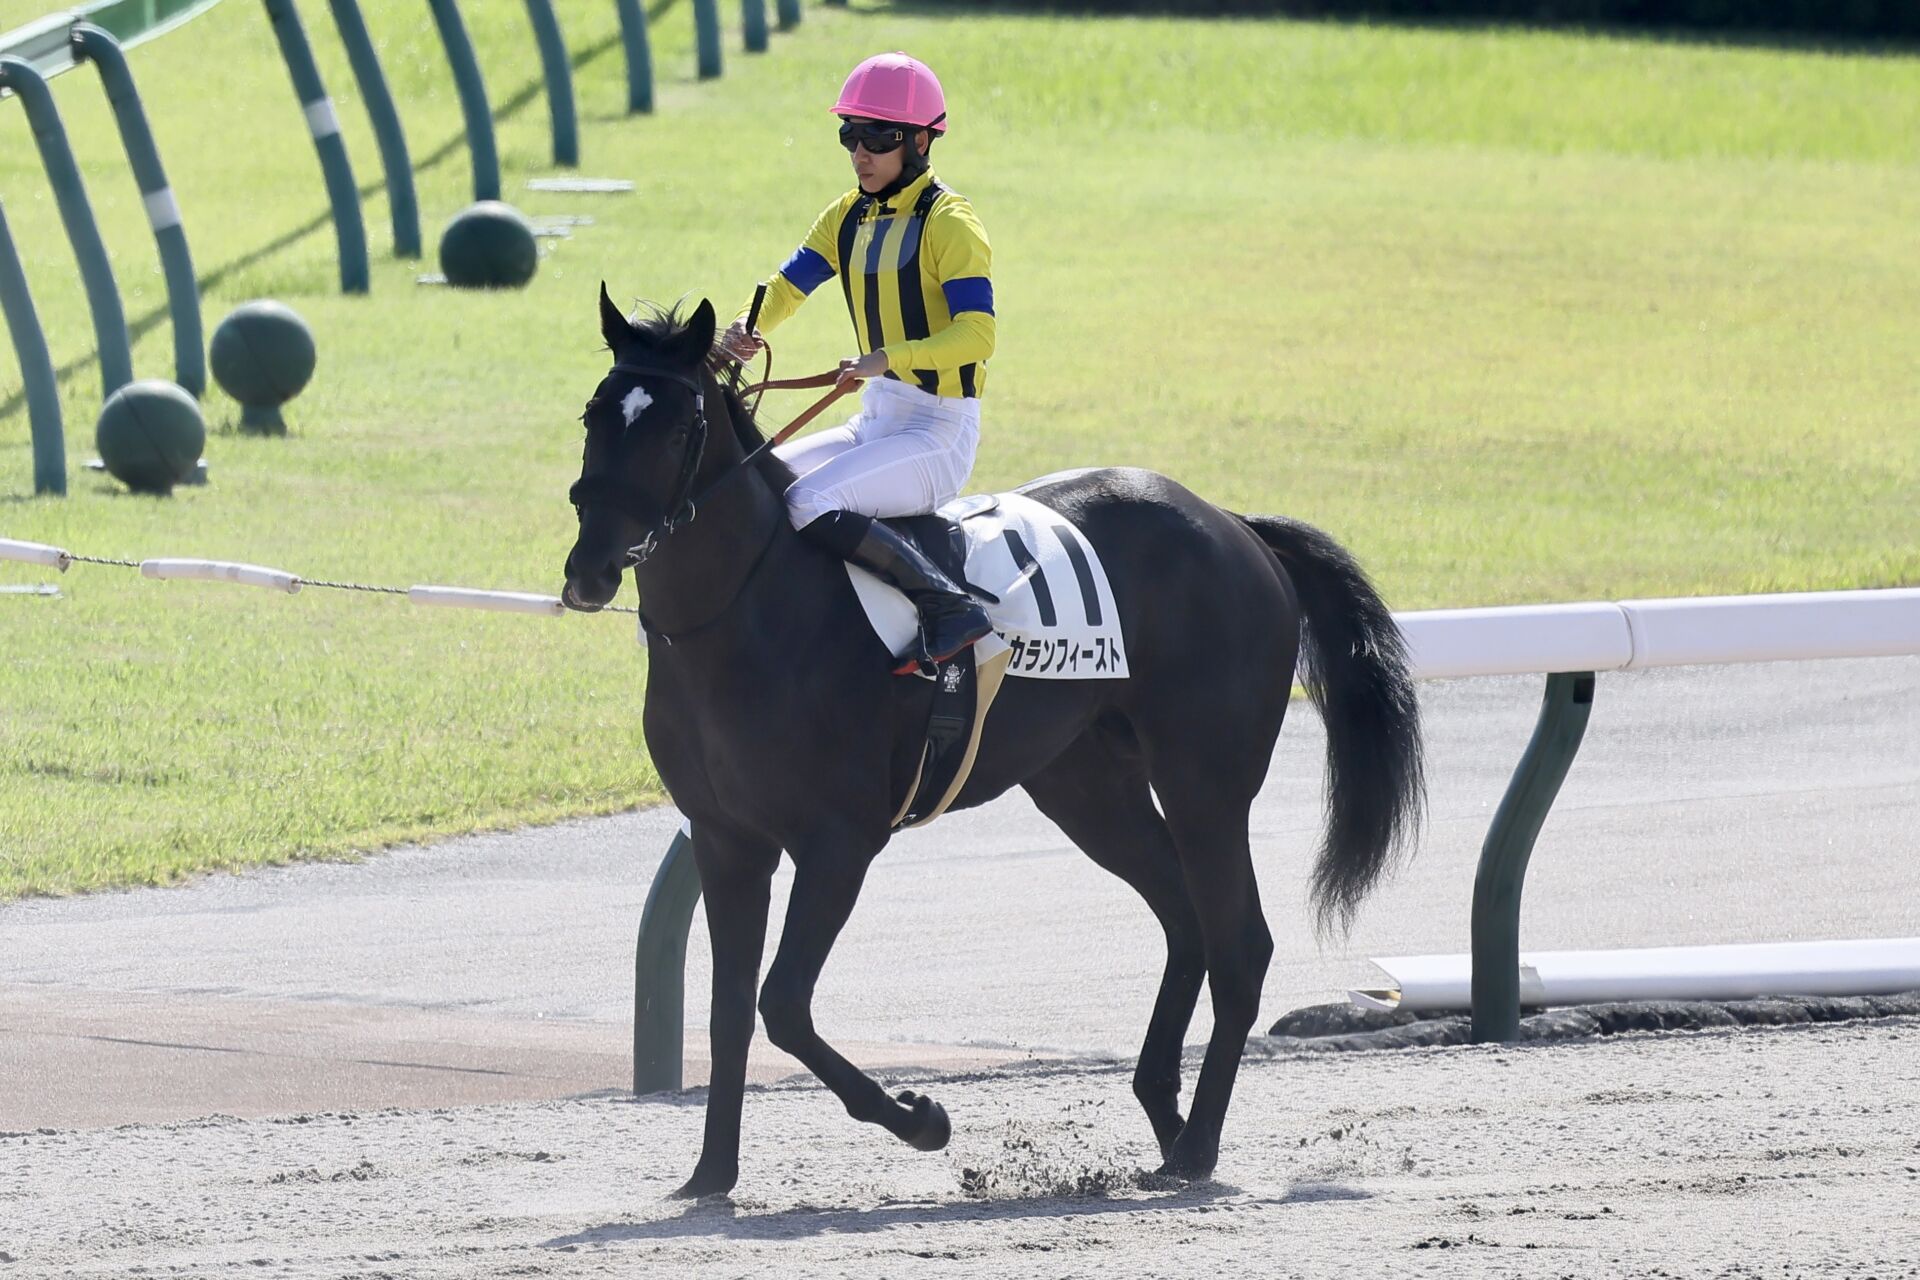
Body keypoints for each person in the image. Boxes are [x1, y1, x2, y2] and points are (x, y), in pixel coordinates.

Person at [720, 52, 996, 673]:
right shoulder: (847, 215)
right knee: (755, 484)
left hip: (938, 432)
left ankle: (947, 605)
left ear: (922, 142)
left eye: (880, 136)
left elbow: (978, 335)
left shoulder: (951, 223)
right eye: (851, 134)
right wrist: (745, 327)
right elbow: (787, 287)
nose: (861, 151)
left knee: (806, 502)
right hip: (877, 421)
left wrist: (887, 359)